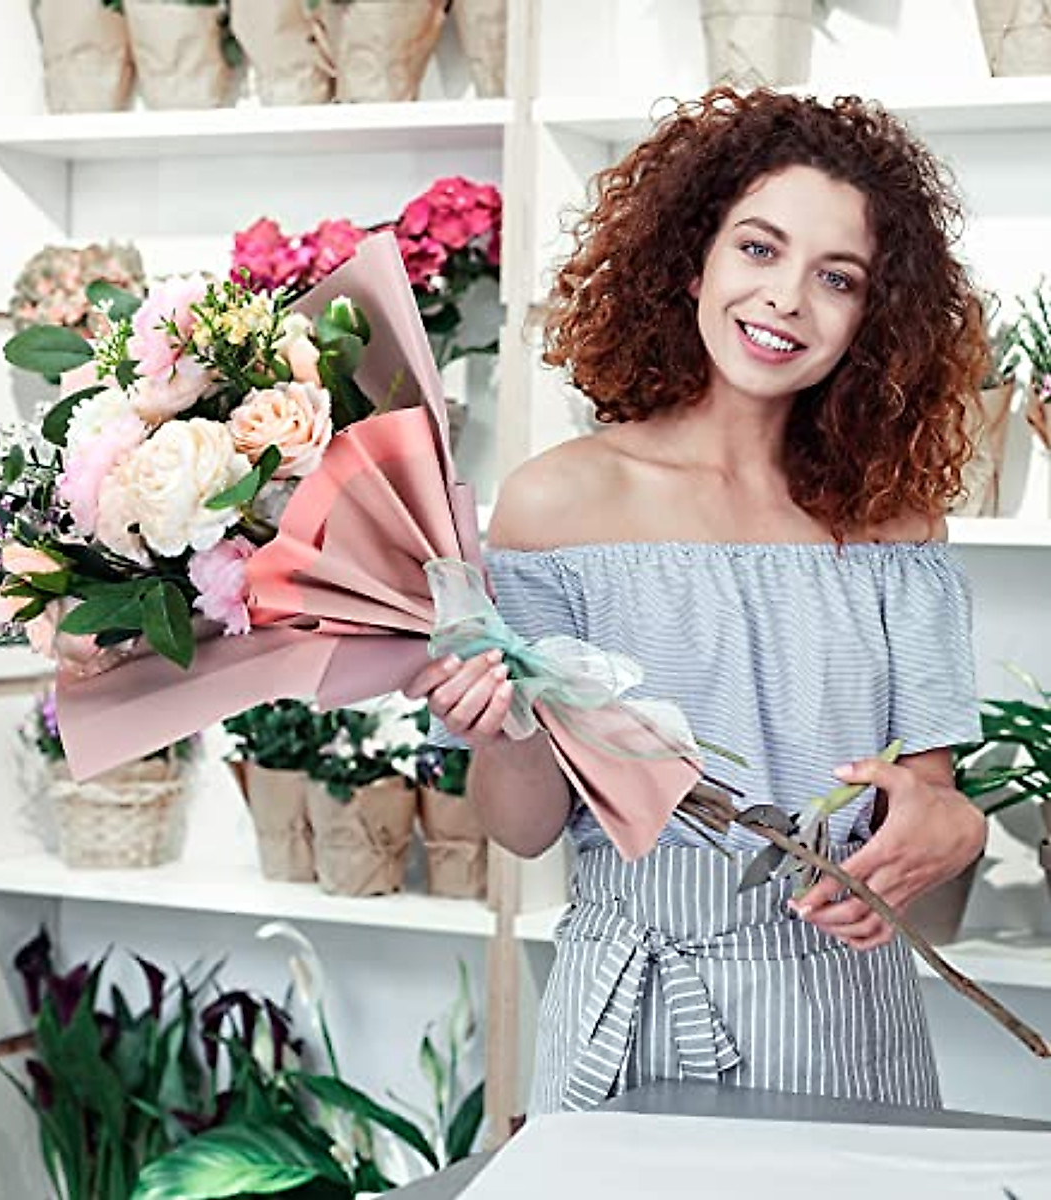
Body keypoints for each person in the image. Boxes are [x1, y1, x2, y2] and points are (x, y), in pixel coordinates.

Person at [405, 87, 989, 1116]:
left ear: (874, 318)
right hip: (628, 993)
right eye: (758, 249)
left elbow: (928, 804)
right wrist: (502, 731)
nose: (786, 299)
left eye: (837, 277)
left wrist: (954, 829)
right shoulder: (558, 503)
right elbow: (525, 831)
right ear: (693, 260)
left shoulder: (894, 528)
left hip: (842, 1002)